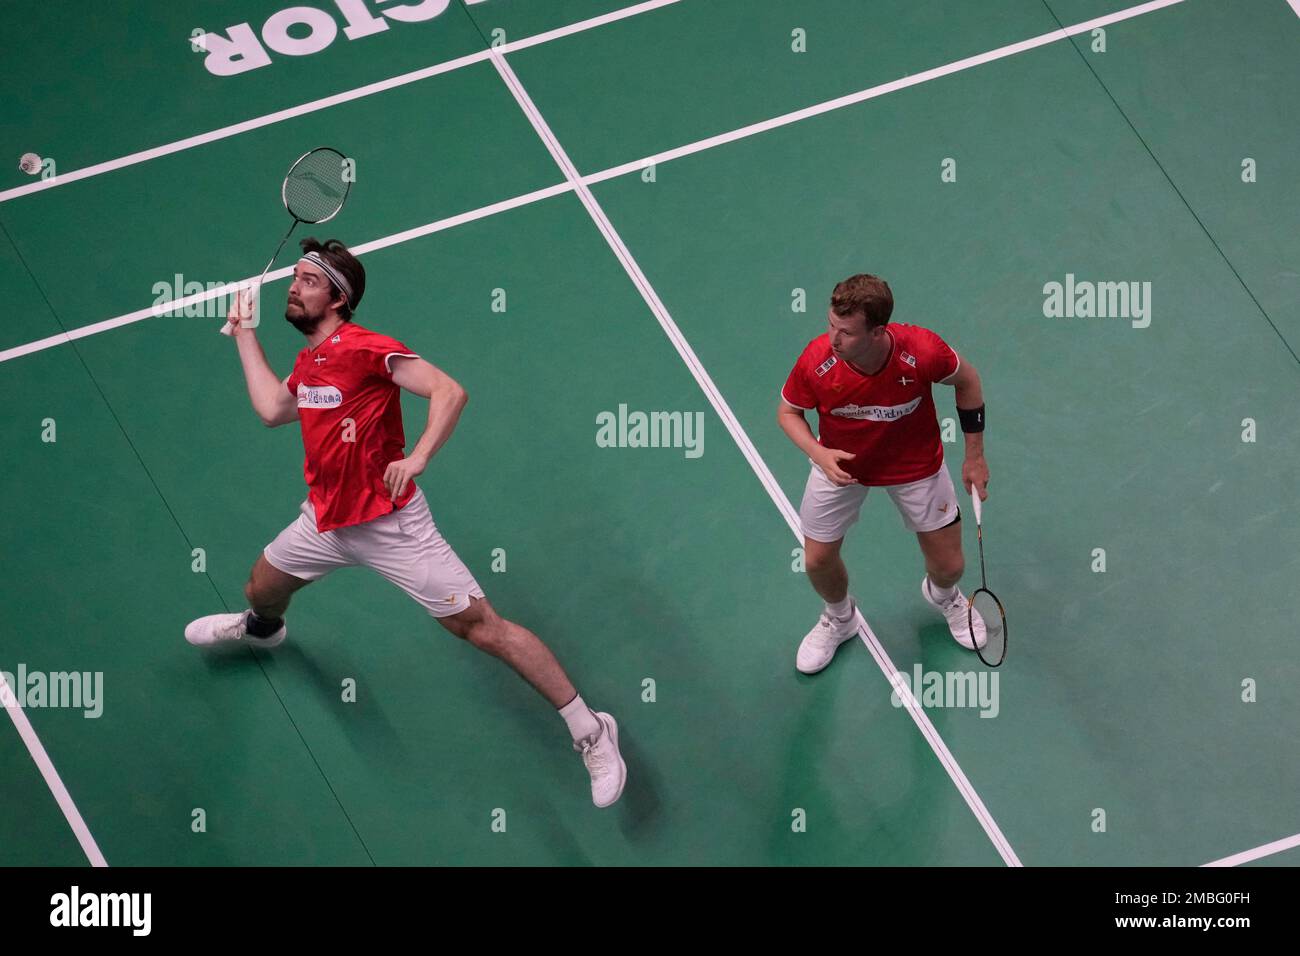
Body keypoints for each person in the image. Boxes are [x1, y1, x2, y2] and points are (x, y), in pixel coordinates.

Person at [184, 237, 626, 807]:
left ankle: (591, 729)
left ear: (339, 299)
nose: (292, 288)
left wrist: (417, 457)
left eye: (308, 281)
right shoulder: (311, 359)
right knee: (260, 588)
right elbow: (275, 410)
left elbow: (449, 390)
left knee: (481, 628)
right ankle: (265, 629)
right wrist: (244, 334)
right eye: (293, 277)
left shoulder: (366, 348)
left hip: (392, 526)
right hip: (324, 519)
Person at [777, 274, 990, 674]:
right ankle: (840, 618)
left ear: (878, 331)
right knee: (817, 560)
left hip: (914, 463)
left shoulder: (922, 351)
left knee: (949, 566)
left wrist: (974, 457)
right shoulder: (817, 360)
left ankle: (944, 598)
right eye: (831, 326)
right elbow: (788, 412)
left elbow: (969, 381)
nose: (833, 339)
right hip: (840, 465)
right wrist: (818, 453)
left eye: (846, 332)